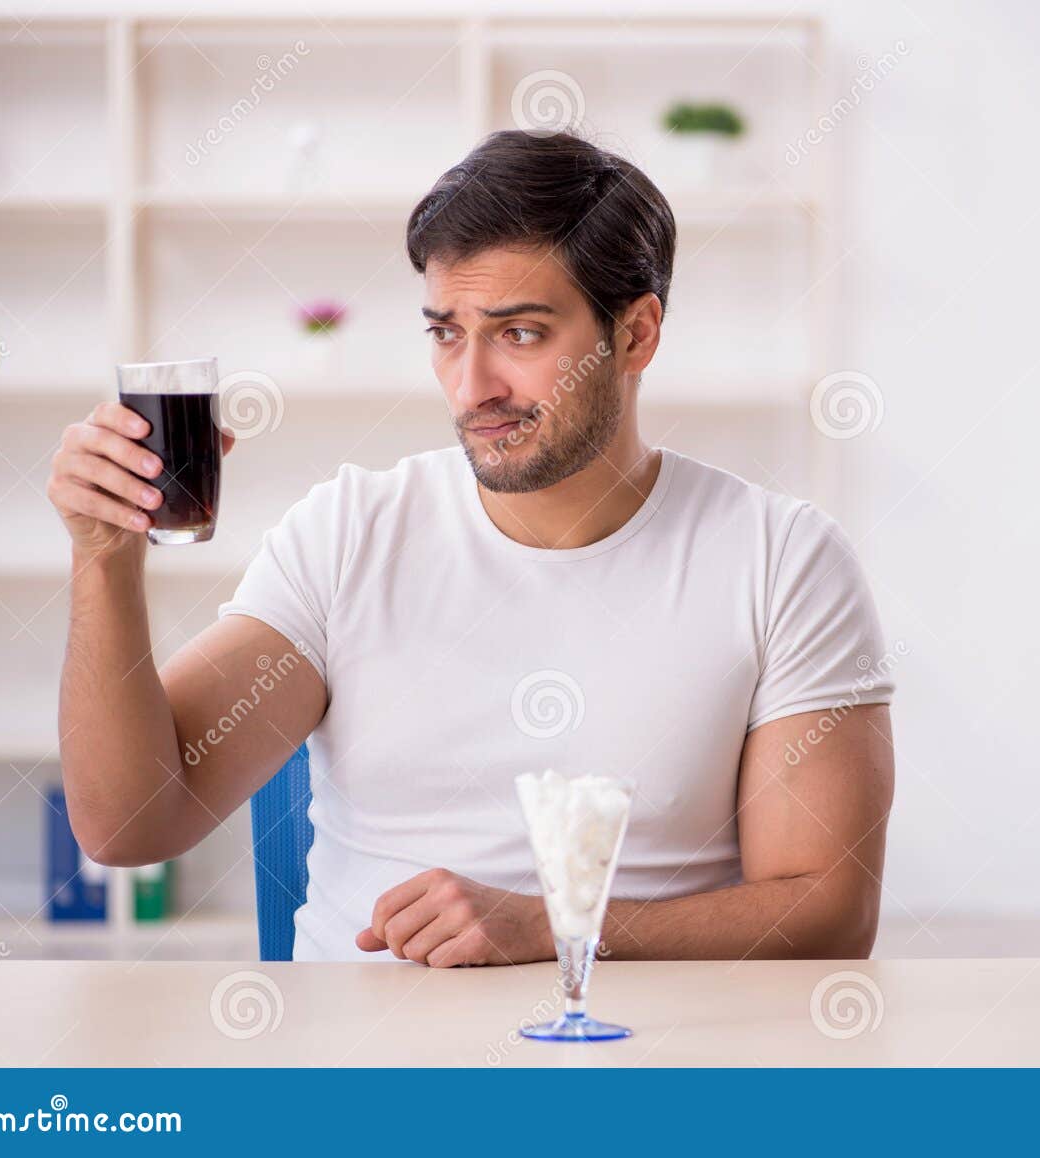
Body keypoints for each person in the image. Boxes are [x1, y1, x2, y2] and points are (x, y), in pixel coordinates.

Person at [46, 129, 897, 965]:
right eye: (447, 333)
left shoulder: (782, 561)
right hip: (358, 1046)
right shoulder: (349, 534)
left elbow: (830, 912)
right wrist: (104, 561)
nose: (471, 385)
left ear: (636, 334)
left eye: (519, 334)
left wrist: (555, 928)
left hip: (637, 1043)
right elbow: (129, 827)